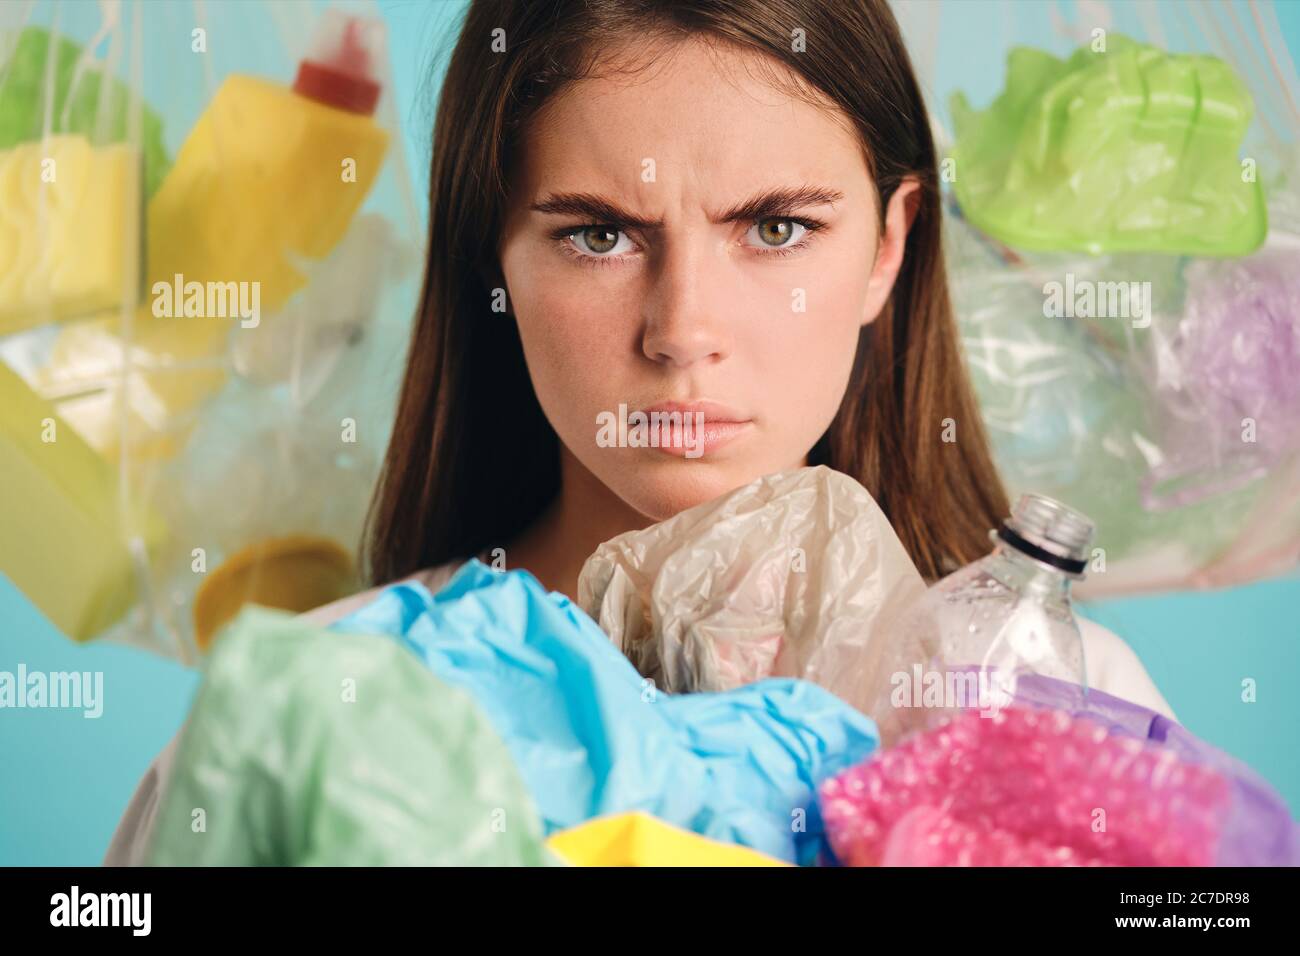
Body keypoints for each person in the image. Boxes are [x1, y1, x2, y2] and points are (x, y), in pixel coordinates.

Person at [104, 0, 1174, 866]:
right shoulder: (314, 708)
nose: (683, 331)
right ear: (494, 258)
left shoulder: (1057, 710)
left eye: (775, 227)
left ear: (888, 248)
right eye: (599, 233)